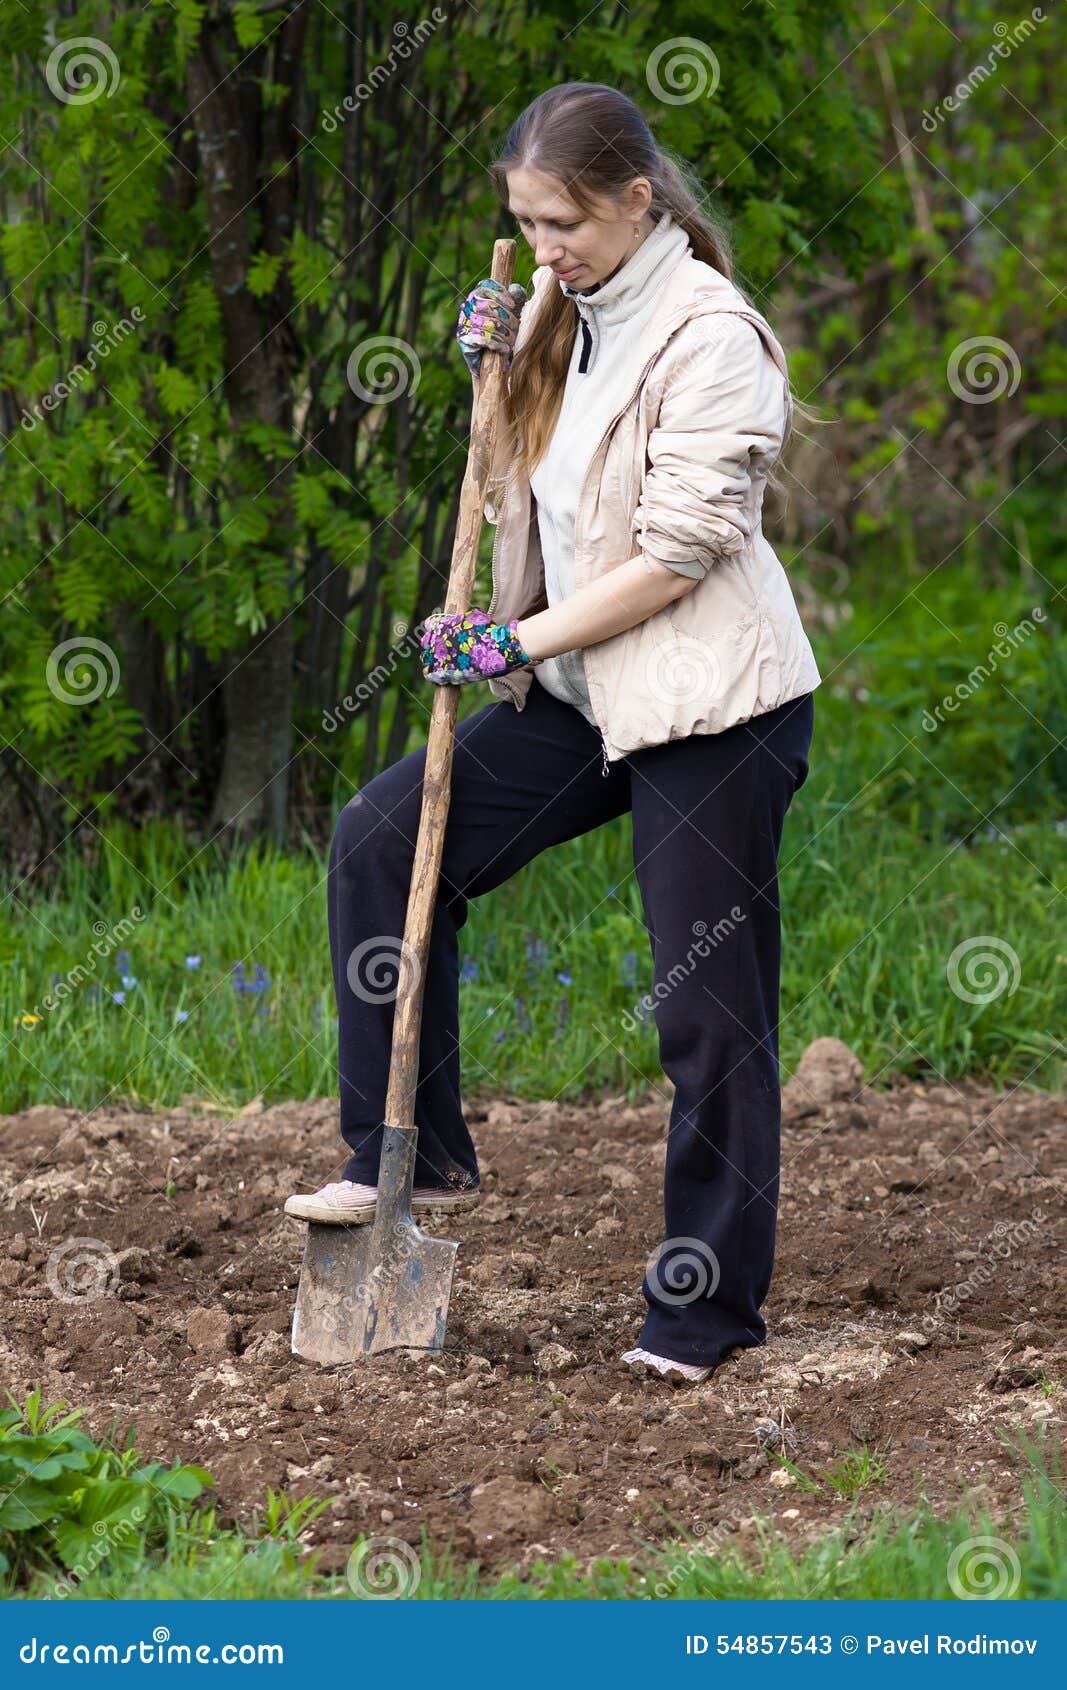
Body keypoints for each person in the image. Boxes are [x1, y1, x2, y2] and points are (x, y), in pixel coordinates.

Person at [285, 82, 821, 1387]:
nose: (543, 248)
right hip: (583, 698)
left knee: (708, 1011)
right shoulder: (553, 309)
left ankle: (704, 1312)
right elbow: (522, 472)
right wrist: (498, 353)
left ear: (640, 200)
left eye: (564, 223)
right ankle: (408, 1148)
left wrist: (508, 644)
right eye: (524, 225)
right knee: (380, 838)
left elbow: (685, 552)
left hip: (709, 708)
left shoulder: (710, 337)